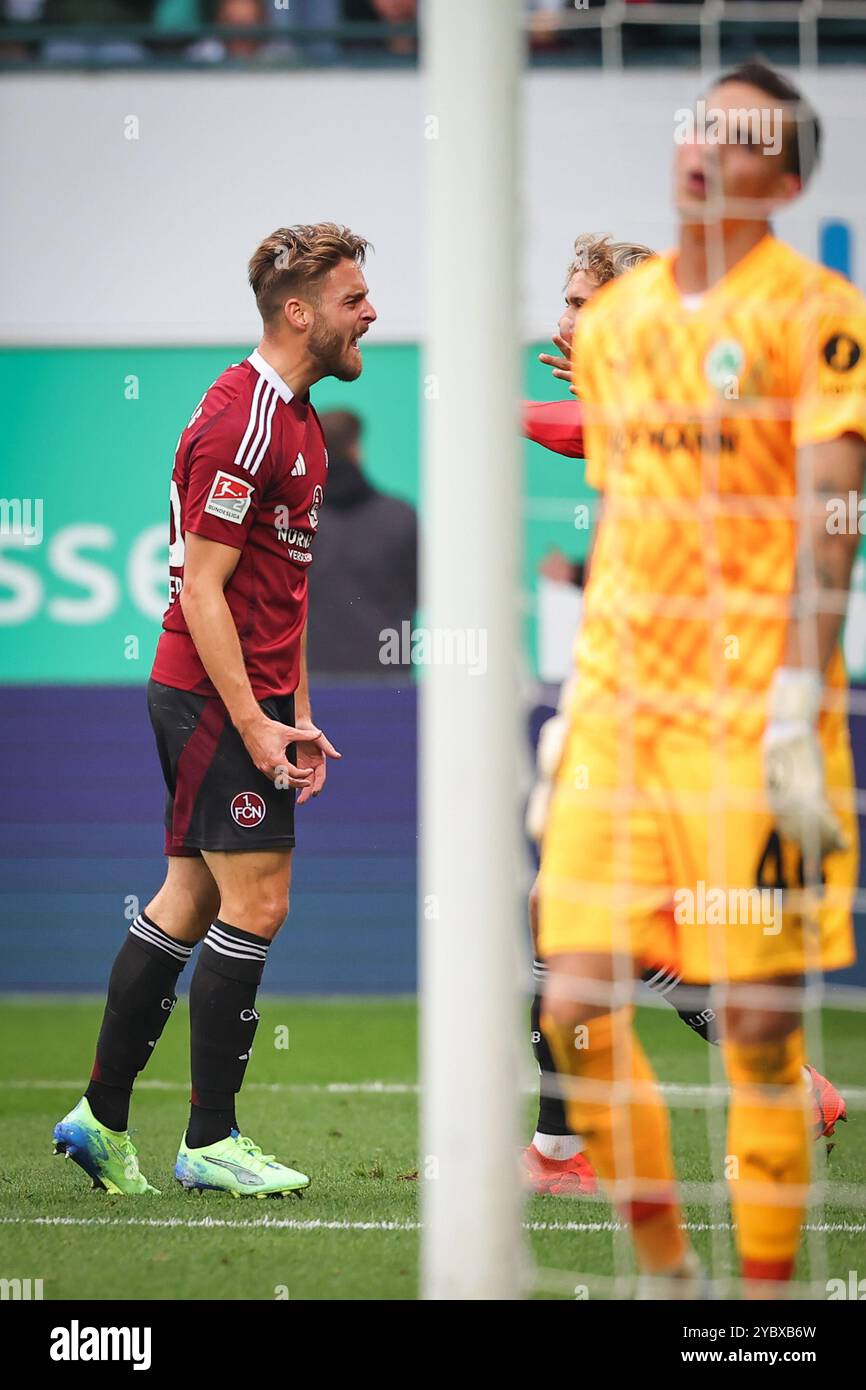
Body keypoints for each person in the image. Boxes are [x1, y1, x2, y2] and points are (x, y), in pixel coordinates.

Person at [536, 63, 866, 1298]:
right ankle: (670, 1279)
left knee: (762, 1031)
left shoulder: (817, 314)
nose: (702, 149)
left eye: (737, 138)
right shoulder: (617, 332)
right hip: (625, 715)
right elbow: (633, 518)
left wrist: (795, 694)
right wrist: (577, 701)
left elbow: (830, 510)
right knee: (571, 999)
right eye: (697, 125)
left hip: (754, 725)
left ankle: (762, 1312)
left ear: (778, 179)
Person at [53, 223, 376, 1198]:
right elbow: (202, 591)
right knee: (258, 901)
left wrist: (298, 710)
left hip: (247, 696)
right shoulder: (239, 419)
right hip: (206, 692)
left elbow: (289, 587)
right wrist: (252, 722)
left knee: (188, 898)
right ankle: (209, 1138)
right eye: (354, 298)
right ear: (298, 311)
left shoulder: (303, 421)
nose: (370, 312)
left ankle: (100, 1121)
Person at [306, 408, 417, 681]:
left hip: (307, 689)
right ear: (356, 449)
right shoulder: (400, 516)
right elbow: (423, 593)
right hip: (388, 683)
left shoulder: (292, 522)